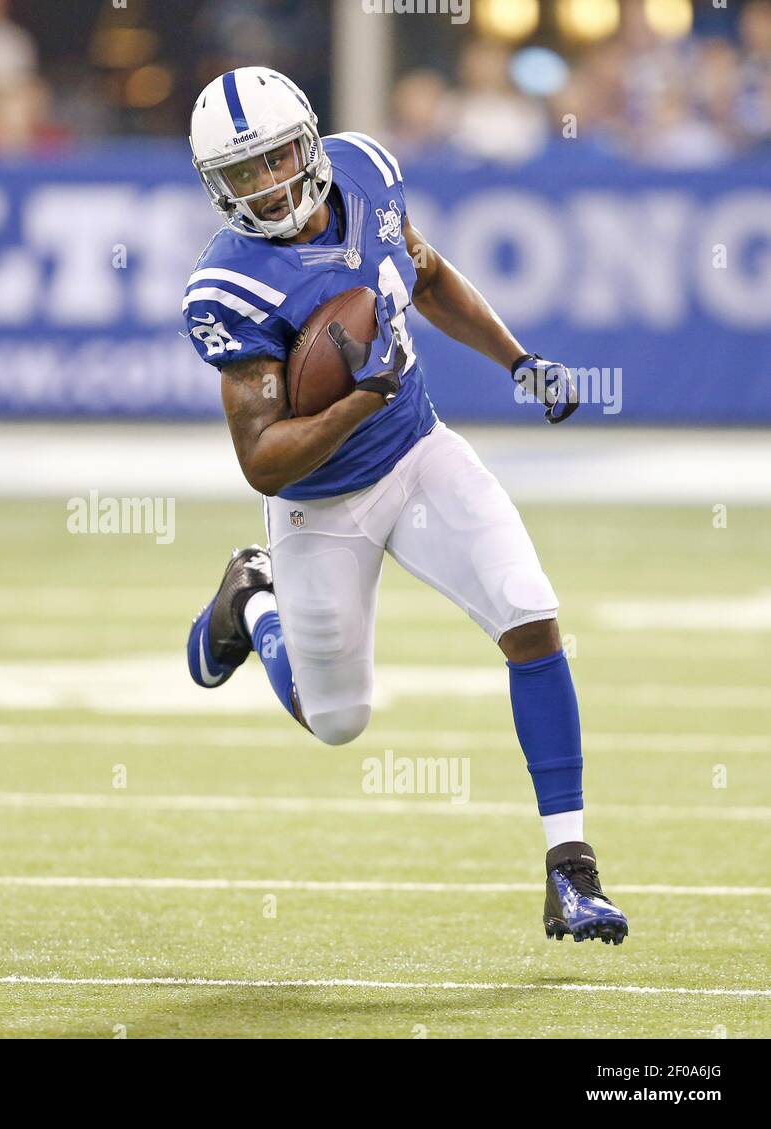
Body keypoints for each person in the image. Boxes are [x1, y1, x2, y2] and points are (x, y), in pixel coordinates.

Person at [182, 67, 627, 945]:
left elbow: (423, 272)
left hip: (420, 453)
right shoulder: (227, 288)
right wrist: (355, 400)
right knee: (338, 719)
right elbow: (262, 463)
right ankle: (253, 601)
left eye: (275, 159)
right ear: (215, 187)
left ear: (309, 142)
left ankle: (572, 871)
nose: (267, 187)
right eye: (243, 175)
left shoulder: (368, 171)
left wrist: (518, 359)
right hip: (319, 505)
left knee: (530, 612)